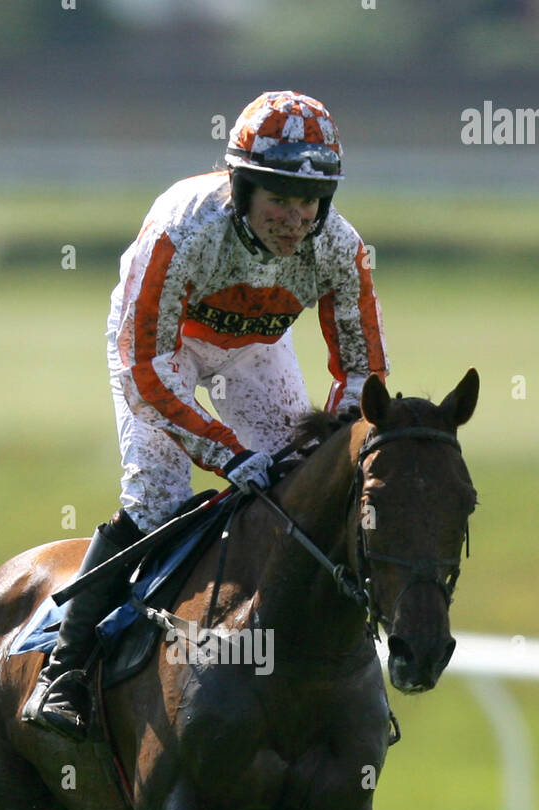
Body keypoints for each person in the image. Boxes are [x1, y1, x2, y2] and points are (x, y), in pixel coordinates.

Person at [23, 89, 388, 736]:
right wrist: (226, 453)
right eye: (278, 197)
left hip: (256, 346)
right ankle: (66, 667)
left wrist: (326, 454)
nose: (295, 218)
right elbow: (148, 370)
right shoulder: (183, 226)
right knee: (158, 497)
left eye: (310, 200)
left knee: (298, 489)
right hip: (160, 351)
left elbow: (363, 373)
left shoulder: (339, 247)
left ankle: (334, 673)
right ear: (241, 186)